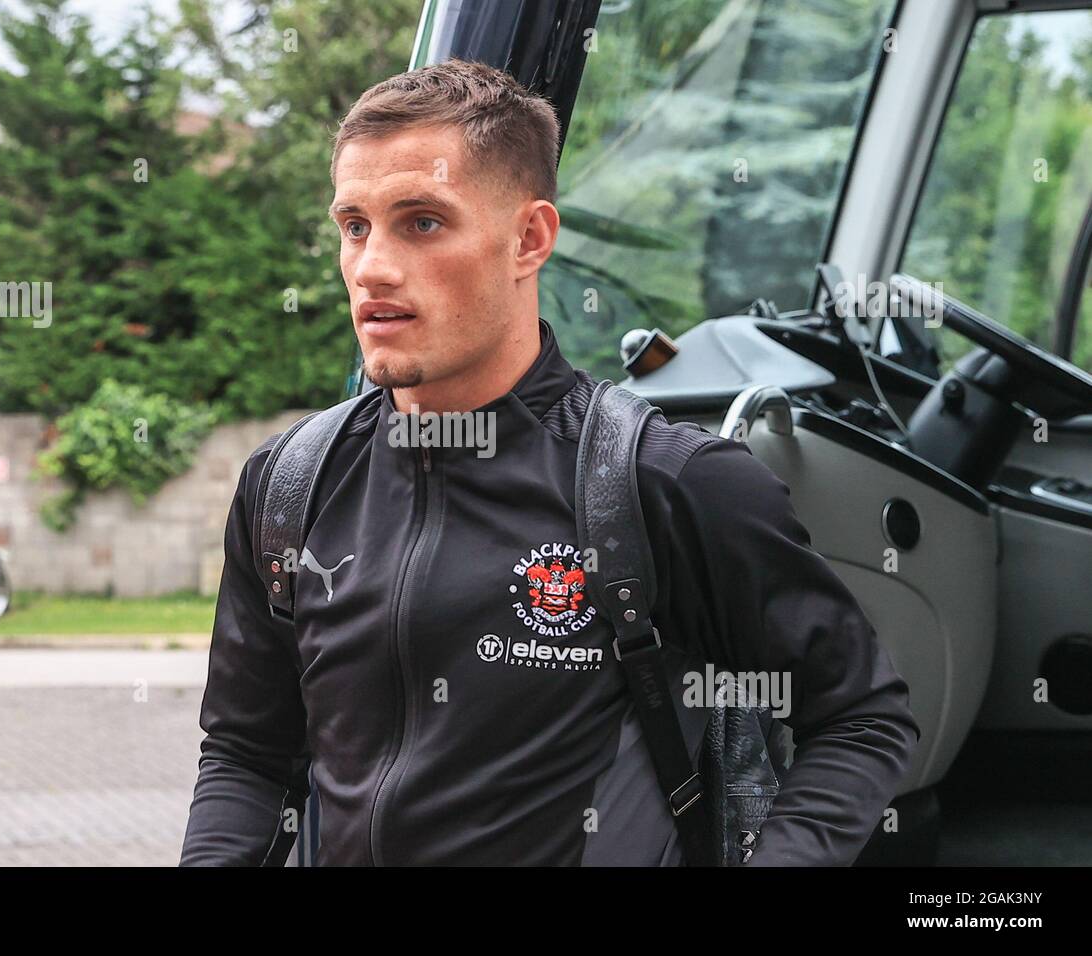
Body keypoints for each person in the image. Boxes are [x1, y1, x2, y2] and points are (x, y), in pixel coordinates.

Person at [179, 58, 919, 866]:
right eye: (354, 225)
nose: (372, 267)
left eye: (421, 221)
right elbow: (248, 756)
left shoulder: (666, 483)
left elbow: (862, 717)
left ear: (530, 239)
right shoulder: (290, 484)